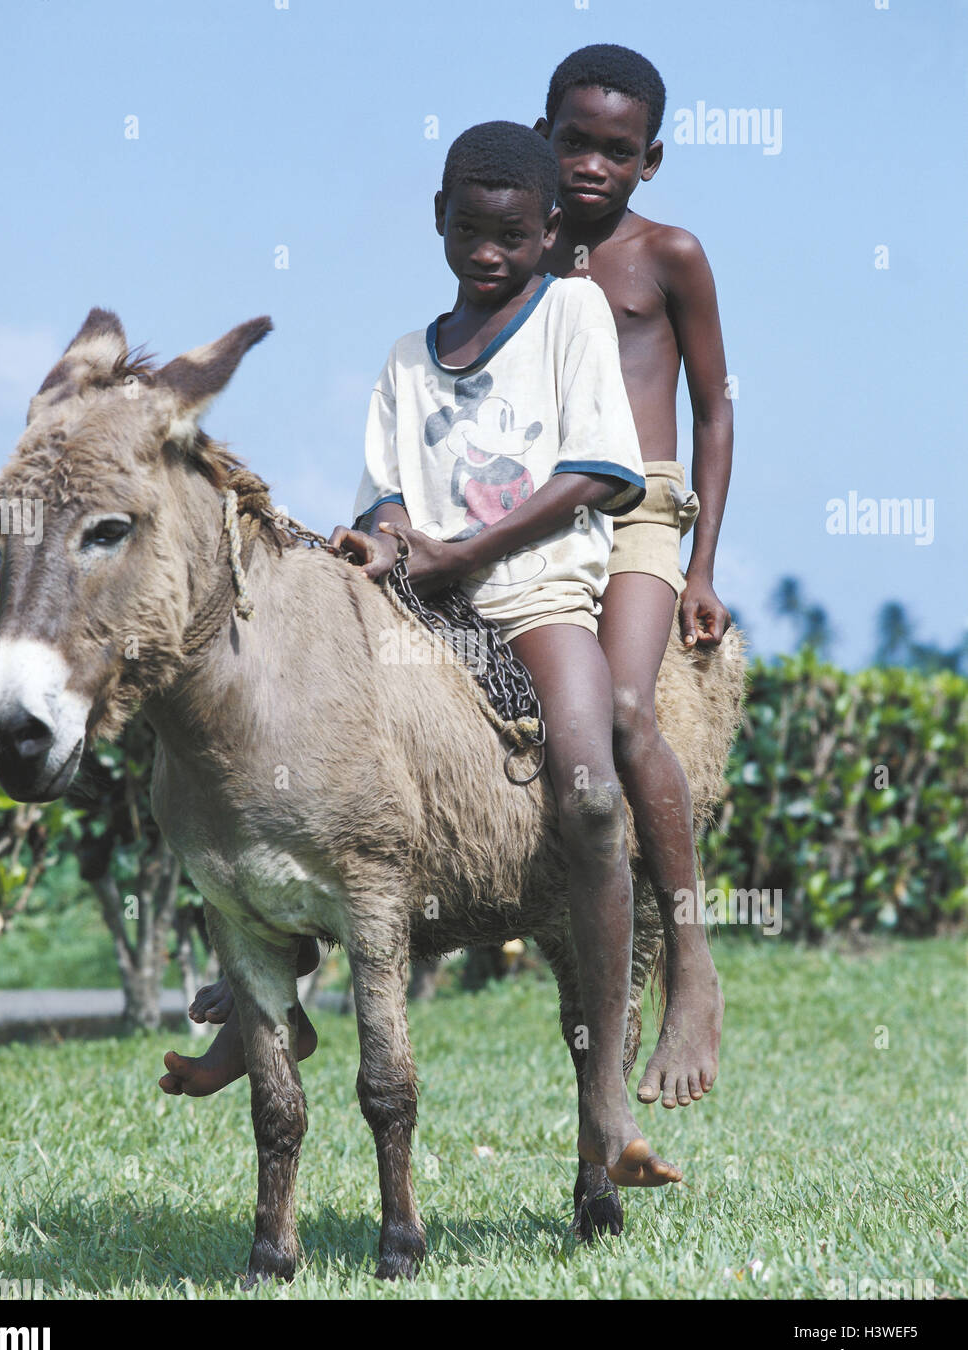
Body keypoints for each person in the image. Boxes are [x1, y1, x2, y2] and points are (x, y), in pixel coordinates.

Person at [324, 121, 679, 1188]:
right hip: (421, 603)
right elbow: (384, 492)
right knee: (316, 773)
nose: (488, 252)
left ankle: (607, 1092)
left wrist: (467, 550)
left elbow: (595, 470)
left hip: (531, 590)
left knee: (588, 792)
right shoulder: (403, 357)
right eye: (469, 231)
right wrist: (388, 543)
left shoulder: (569, 311)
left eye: (511, 235)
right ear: (438, 220)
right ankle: (248, 1002)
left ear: (549, 232)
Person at [535, 44, 732, 1109]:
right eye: (575, 142)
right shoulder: (516, 246)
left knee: (618, 707)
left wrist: (701, 559)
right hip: (534, 510)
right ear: (544, 133)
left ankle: (692, 967)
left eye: (618, 150)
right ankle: (265, 990)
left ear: (649, 159)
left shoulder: (669, 255)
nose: (592, 167)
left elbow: (715, 405)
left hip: (642, 507)